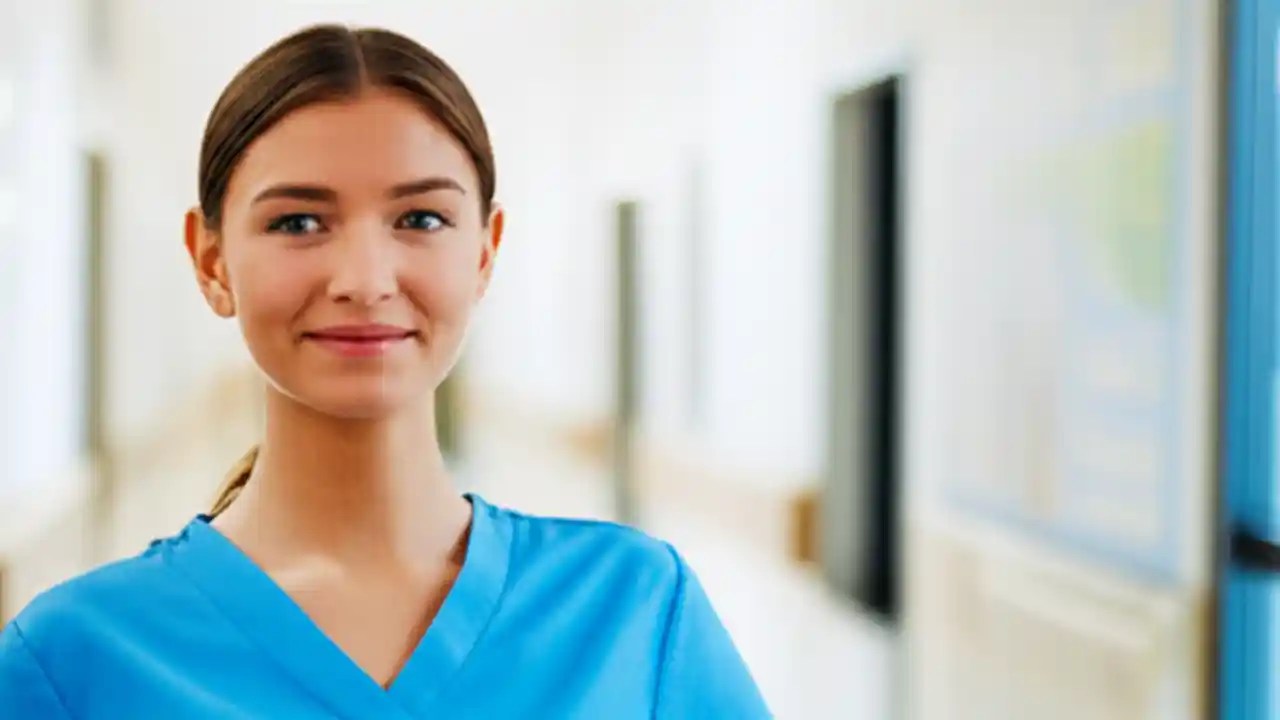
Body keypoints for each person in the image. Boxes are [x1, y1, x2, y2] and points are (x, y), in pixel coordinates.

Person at [0, 24, 770, 718]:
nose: (365, 279)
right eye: (299, 222)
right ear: (210, 261)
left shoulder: (631, 609)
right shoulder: (75, 662)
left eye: (420, 219)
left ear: (484, 252)